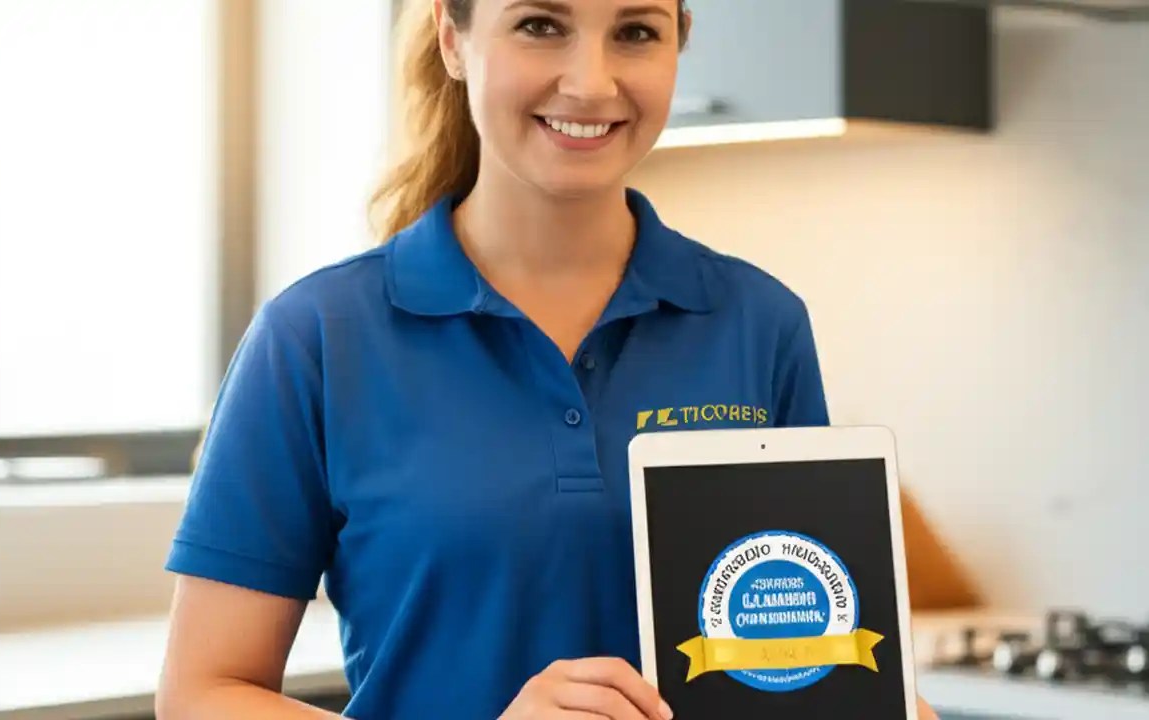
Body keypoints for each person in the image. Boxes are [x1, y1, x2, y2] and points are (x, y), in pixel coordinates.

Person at [155, 0, 940, 718]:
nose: (591, 81)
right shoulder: (315, 337)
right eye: (540, 24)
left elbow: (803, 648)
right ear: (451, 38)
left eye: (635, 32)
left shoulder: (758, 322)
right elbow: (201, 695)